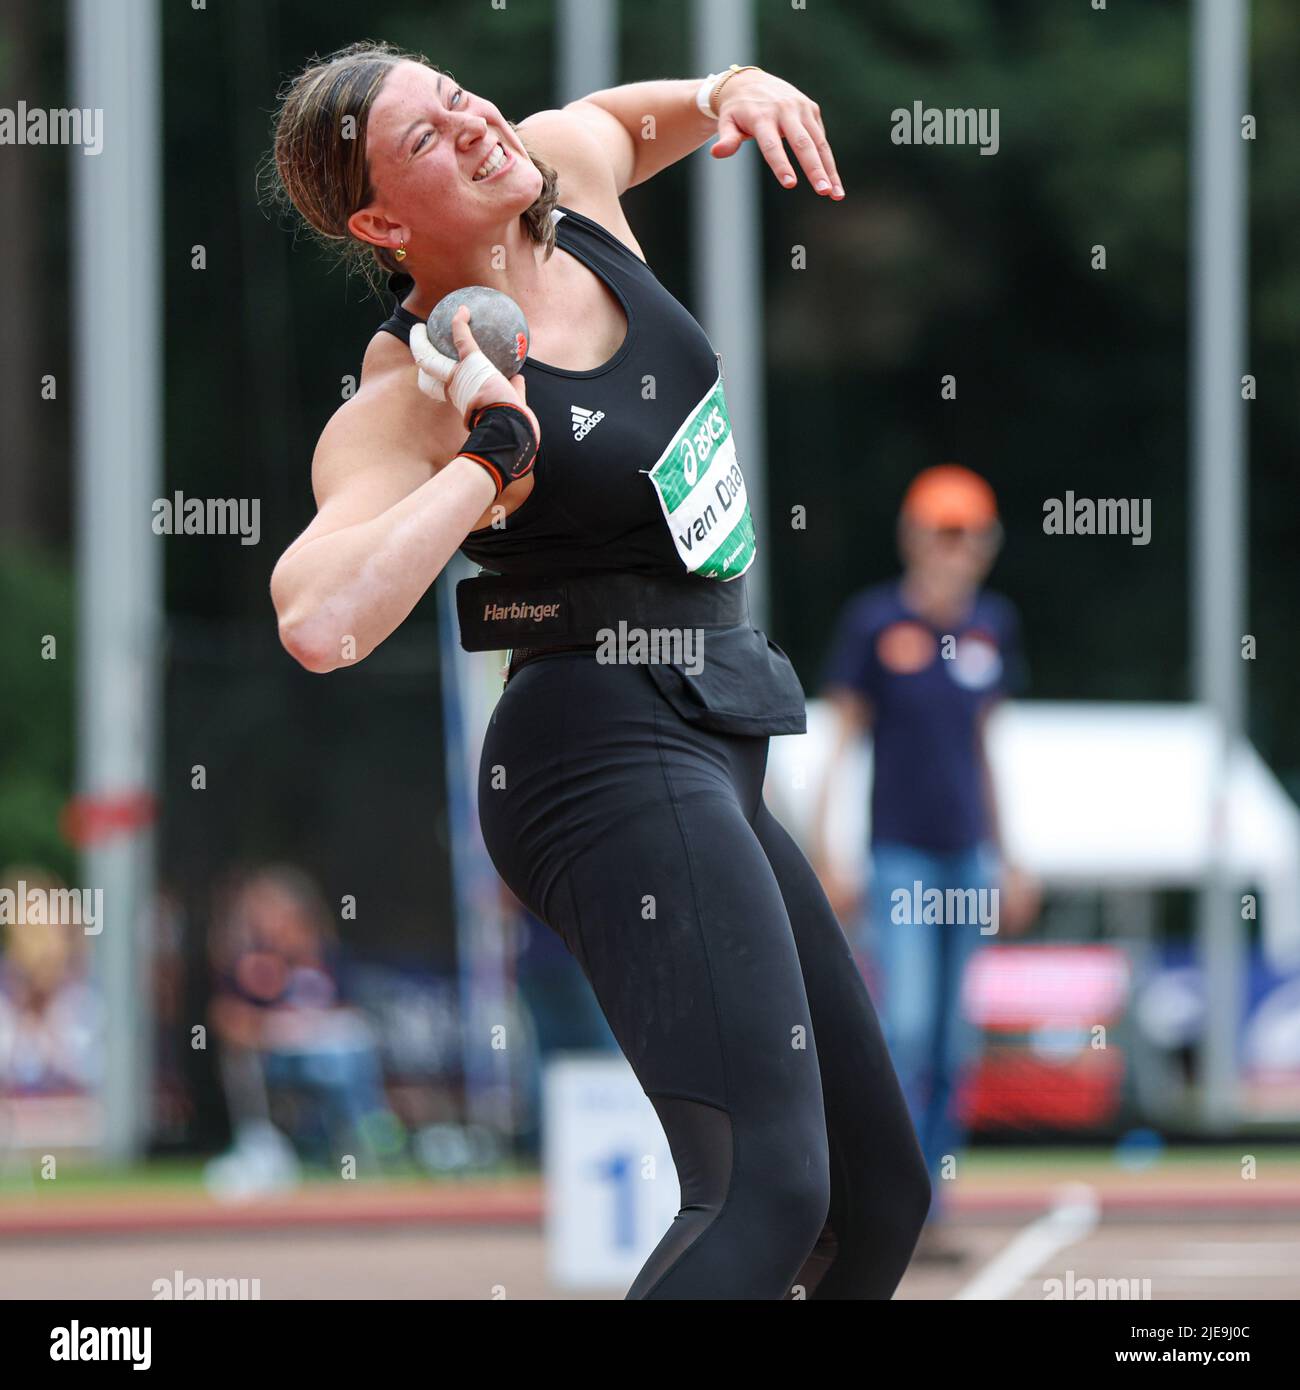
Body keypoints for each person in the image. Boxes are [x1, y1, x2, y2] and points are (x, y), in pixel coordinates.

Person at [267, 41, 928, 1299]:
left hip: (709, 724)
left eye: (460, 97)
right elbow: (318, 618)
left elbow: (623, 122)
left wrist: (725, 91)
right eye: (428, 139)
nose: (474, 127)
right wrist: (485, 457)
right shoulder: (406, 392)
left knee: (875, 1195)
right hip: (595, 751)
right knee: (765, 1191)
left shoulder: (560, 175)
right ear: (378, 220)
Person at [812, 464, 1038, 1262]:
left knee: (951, 1044)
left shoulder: (991, 628)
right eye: (944, 533)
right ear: (915, 537)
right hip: (900, 858)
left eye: (970, 534)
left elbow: (987, 750)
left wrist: (1010, 859)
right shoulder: (876, 622)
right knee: (903, 1029)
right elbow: (840, 743)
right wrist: (826, 849)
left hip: (966, 859)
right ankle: (882, 1202)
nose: (957, 549)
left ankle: (931, 1209)